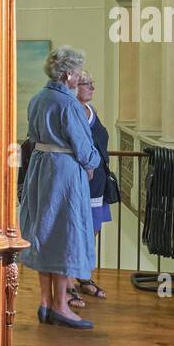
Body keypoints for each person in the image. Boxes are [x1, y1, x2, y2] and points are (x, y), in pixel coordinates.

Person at [18, 47, 102, 330]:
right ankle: (62, 306)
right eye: (78, 73)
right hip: (64, 173)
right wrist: (93, 162)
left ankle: (45, 301)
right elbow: (83, 146)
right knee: (64, 235)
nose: (79, 78)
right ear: (68, 74)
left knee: (44, 232)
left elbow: (31, 136)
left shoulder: (37, 98)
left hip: (40, 169)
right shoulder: (68, 104)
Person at [73, 71, 110, 305]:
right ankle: (71, 282)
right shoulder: (72, 111)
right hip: (79, 184)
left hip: (97, 185)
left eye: (92, 83)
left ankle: (85, 276)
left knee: (92, 231)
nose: (92, 88)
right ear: (75, 87)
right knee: (77, 232)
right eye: (87, 84)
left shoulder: (91, 111)